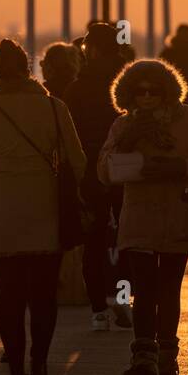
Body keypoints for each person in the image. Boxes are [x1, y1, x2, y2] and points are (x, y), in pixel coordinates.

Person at [0, 40, 86, 375]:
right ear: (29, 69)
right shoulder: (54, 107)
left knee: (10, 300)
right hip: (45, 210)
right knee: (42, 298)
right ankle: (39, 368)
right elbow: (79, 161)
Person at [98, 59, 188, 375]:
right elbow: (103, 171)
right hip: (138, 218)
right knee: (145, 290)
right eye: (139, 92)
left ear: (167, 91)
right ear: (128, 94)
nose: (146, 97)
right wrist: (125, 156)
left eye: (153, 91)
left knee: (170, 291)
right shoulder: (123, 126)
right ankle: (143, 361)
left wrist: (177, 166)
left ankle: (167, 361)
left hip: (176, 216)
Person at [64, 22, 133, 329]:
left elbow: (69, 133)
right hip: (124, 165)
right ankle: (123, 298)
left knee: (93, 239)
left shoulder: (78, 87)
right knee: (129, 236)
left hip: (91, 167)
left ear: (91, 49)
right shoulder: (128, 81)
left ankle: (98, 310)